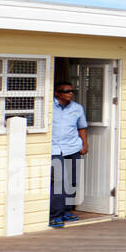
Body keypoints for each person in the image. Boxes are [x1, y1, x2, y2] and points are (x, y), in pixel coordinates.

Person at [50, 80, 88, 228]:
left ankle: (66, 211)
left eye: (72, 91)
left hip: (73, 147)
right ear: (57, 93)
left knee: (72, 182)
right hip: (55, 148)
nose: (71, 93)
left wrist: (85, 144)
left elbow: (82, 127)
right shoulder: (49, 107)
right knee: (59, 181)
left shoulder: (77, 108)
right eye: (67, 91)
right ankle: (55, 216)